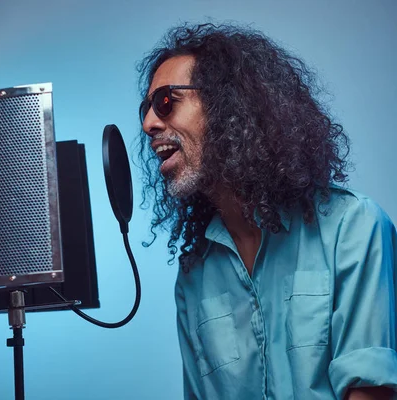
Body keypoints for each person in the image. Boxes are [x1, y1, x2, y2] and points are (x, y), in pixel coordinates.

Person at [137, 23, 397, 399]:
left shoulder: (354, 228)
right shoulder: (195, 274)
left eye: (165, 102)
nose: (148, 124)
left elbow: (369, 391)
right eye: (146, 109)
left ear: (227, 105)